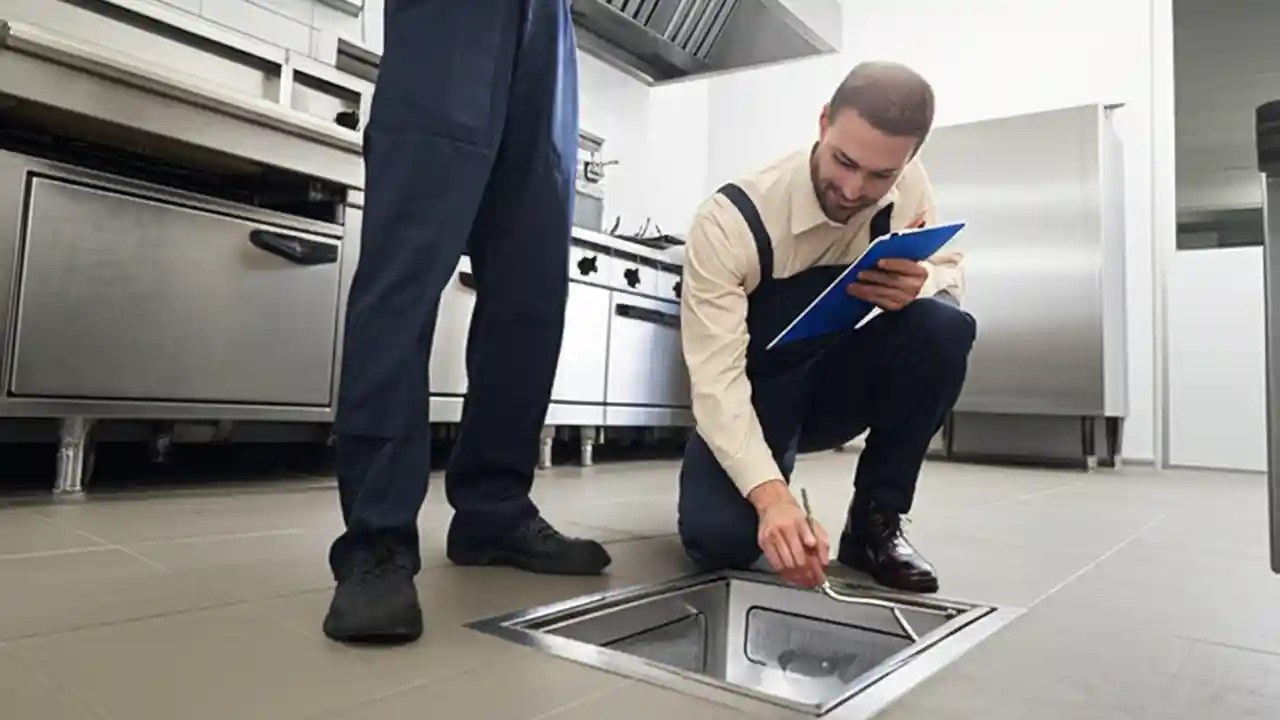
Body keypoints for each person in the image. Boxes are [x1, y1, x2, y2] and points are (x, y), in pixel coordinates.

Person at [323, 0, 612, 645]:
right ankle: (376, 544)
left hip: (548, 28)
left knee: (529, 295)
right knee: (405, 285)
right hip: (451, 22)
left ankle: (493, 508)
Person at [677, 61, 974, 594]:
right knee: (720, 543)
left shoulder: (909, 186)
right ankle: (749, 474)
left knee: (944, 327)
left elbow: (951, 270)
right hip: (754, 392)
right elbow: (716, 382)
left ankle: (873, 527)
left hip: (833, 384)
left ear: (908, 160)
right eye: (844, 161)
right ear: (822, 123)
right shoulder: (731, 222)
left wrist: (923, 281)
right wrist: (772, 500)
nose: (856, 189)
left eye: (881, 175)